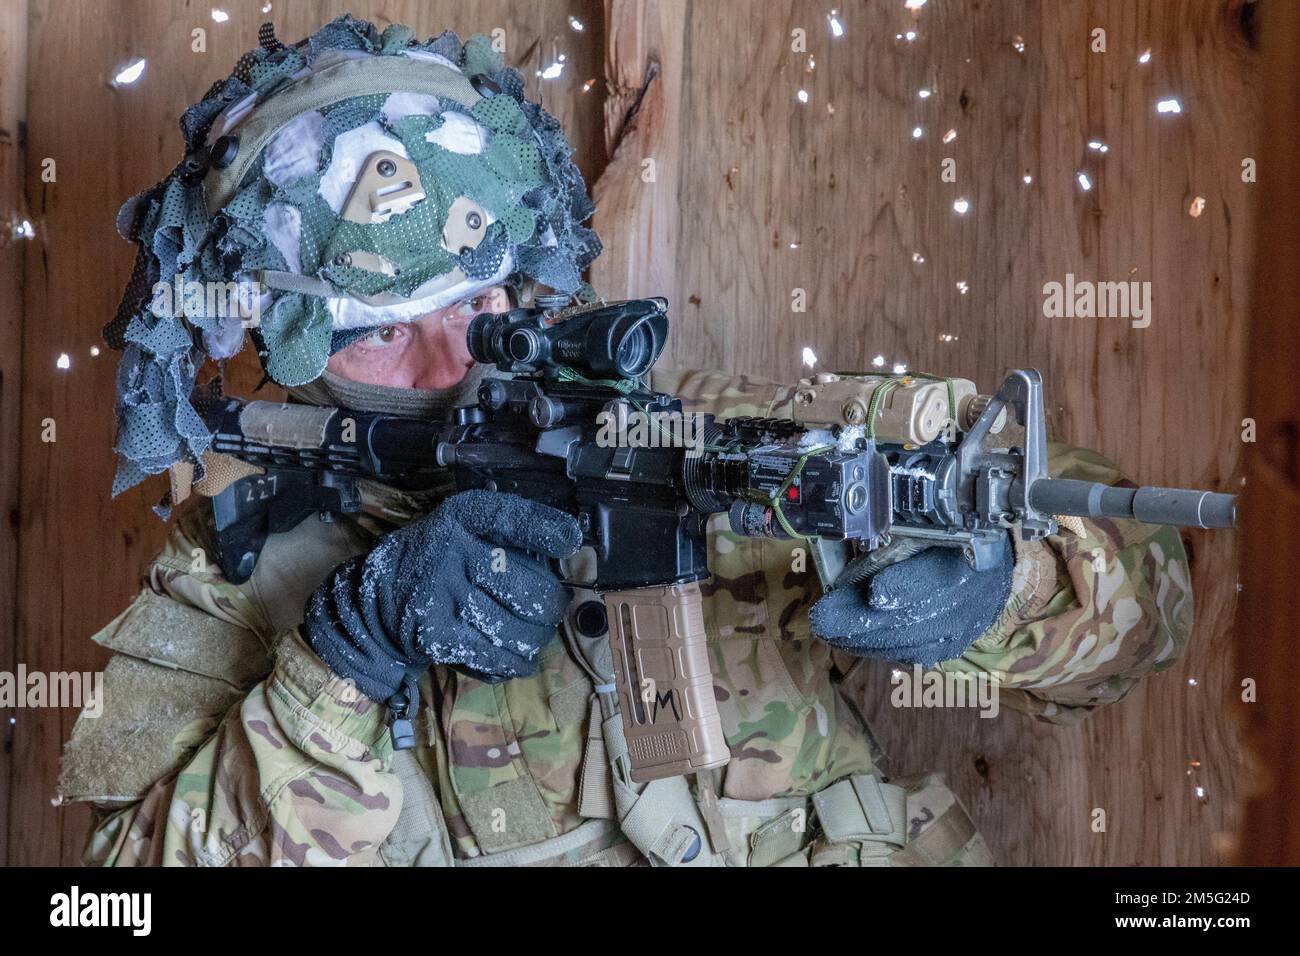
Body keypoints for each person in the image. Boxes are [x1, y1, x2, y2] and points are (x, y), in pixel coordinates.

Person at [58, 15, 1193, 867]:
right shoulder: (242, 559)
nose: (448, 363)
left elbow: (1145, 618)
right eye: (378, 334)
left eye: (479, 304)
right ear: (275, 333)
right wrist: (342, 661)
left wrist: (1005, 586)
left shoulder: (729, 440)